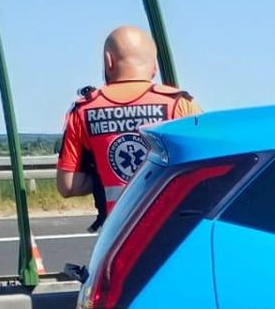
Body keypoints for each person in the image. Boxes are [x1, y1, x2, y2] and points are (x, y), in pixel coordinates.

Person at [56, 25, 199, 229]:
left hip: (117, 234)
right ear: (154, 66)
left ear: (108, 60)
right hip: (167, 229)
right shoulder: (180, 104)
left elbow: (68, 185)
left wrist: (101, 176)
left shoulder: (82, 110)